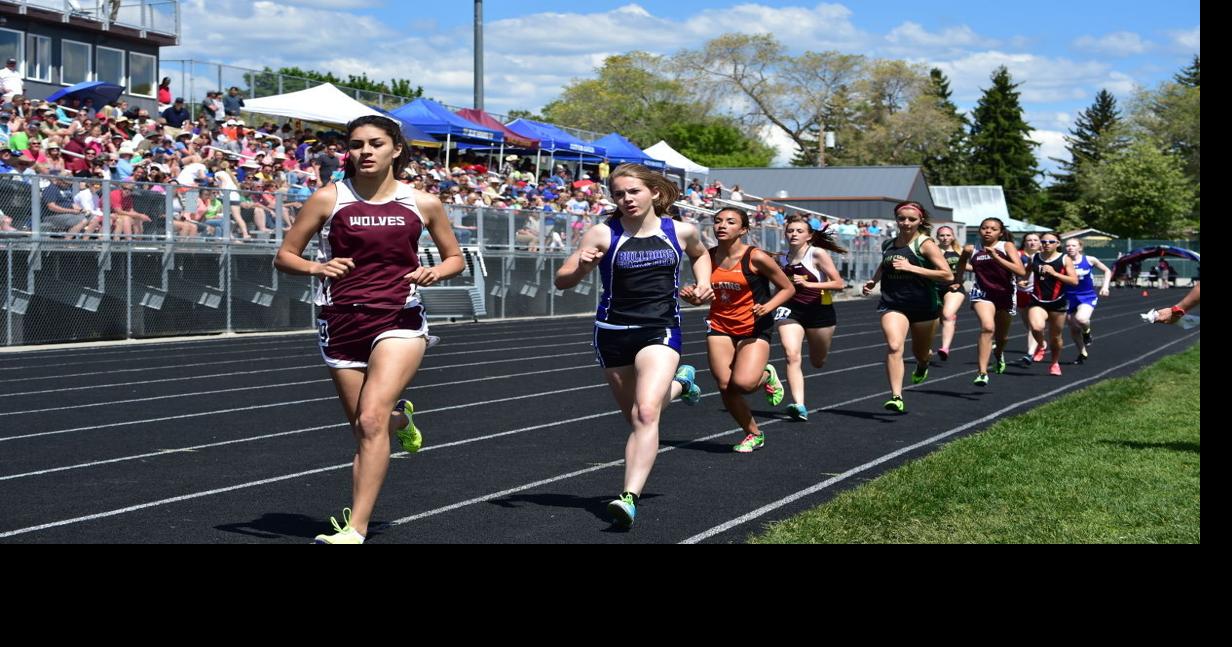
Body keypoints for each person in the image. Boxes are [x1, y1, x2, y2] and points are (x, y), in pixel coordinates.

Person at [274, 115, 464, 544]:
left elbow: (455, 258)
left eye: (376, 143)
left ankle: (355, 529)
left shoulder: (422, 202)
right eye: (357, 144)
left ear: (395, 149)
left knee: (371, 418)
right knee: (366, 428)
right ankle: (402, 420)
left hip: (399, 317)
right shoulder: (329, 198)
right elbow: (285, 255)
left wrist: (435, 272)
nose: (365, 152)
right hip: (341, 320)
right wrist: (317, 267)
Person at [554, 163, 712, 528]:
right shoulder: (602, 233)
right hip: (612, 332)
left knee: (645, 414)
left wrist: (704, 283)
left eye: (633, 191)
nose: (626, 199)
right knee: (637, 417)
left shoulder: (681, 230)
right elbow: (562, 280)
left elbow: (701, 254)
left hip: (660, 329)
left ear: (654, 192)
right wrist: (582, 266)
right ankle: (681, 383)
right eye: (619, 194)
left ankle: (628, 497)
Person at [682, 207, 795, 453]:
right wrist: (692, 297)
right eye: (718, 221)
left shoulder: (756, 257)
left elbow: (788, 288)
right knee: (725, 385)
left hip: (753, 325)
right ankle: (753, 433)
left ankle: (766, 375)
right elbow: (703, 296)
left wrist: (768, 307)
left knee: (743, 384)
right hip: (720, 324)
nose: (722, 225)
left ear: (743, 230)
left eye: (730, 222)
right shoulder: (707, 257)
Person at [862, 202, 954, 413]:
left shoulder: (925, 244)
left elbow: (947, 275)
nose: (906, 223)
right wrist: (873, 281)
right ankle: (896, 396)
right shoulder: (889, 243)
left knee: (921, 353)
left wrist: (911, 268)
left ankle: (923, 364)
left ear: (920, 220)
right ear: (896, 219)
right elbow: (885, 264)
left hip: (923, 305)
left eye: (912, 219)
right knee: (895, 346)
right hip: (893, 303)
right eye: (901, 218)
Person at [772, 214, 847, 421]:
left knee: (818, 361)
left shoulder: (816, 254)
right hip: (790, 309)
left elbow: (839, 283)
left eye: (799, 231)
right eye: (790, 231)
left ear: (809, 236)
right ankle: (799, 405)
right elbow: (779, 286)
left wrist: (808, 284)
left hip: (819, 310)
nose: (794, 234)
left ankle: (800, 398)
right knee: (791, 355)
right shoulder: (781, 258)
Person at [963, 218, 1026, 386]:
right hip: (982, 292)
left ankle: (998, 353)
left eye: (993, 229)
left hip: (1005, 294)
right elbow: (961, 263)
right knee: (988, 327)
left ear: (1000, 232)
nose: (988, 231)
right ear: (979, 230)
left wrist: (996, 257)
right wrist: (956, 280)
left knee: (1002, 337)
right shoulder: (971, 248)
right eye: (984, 228)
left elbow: (1020, 271)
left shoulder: (1006, 246)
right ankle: (982, 372)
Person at [1026, 233, 1079, 376]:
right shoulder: (1035, 257)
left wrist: (1054, 273)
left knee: (1055, 338)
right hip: (1037, 300)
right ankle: (1041, 345)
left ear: (1058, 243)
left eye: (1051, 241)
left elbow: (1074, 281)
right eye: (1044, 241)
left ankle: (1054, 363)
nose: (1047, 244)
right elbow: (1028, 270)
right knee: (1036, 327)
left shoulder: (1065, 259)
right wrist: (1024, 279)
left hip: (1057, 302)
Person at [1063, 238, 1111, 364]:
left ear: (1080, 247)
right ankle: (1082, 352)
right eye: (1068, 246)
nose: (1070, 248)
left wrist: (1105, 286)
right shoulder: (1062, 260)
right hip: (1068, 297)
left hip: (1087, 296)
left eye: (1073, 245)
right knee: (1073, 328)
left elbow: (1107, 270)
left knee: (1082, 319)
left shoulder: (1090, 259)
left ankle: (1087, 333)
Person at [933, 225, 965, 362]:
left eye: (948, 235)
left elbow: (967, 265)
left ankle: (945, 348)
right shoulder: (933, 250)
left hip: (954, 288)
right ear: (937, 237)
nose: (945, 238)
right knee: (933, 320)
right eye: (942, 235)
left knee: (947, 315)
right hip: (934, 287)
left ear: (953, 236)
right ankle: (926, 347)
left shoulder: (960, 250)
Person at [1015, 233, 1046, 366]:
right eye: (1029, 240)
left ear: (1040, 242)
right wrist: (1018, 281)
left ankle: (1030, 353)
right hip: (1021, 292)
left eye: (1035, 240)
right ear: (1024, 242)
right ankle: (1041, 343)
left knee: (1034, 325)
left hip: (1038, 293)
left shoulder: (1044, 256)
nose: (1032, 242)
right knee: (1028, 324)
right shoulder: (1017, 255)